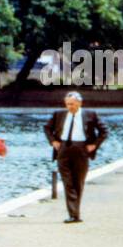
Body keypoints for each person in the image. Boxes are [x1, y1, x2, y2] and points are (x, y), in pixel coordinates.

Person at [44, 90, 108, 223]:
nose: (70, 107)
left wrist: (94, 145)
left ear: (80, 103)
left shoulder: (90, 114)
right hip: (63, 149)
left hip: (81, 149)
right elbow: (47, 128)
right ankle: (73, 214)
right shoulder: (59, 114)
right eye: (67, 104)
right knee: (68, 182)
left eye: (72, 104)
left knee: (78, 182)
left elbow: (104, 131)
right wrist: (53, 141)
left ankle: (75, 214)